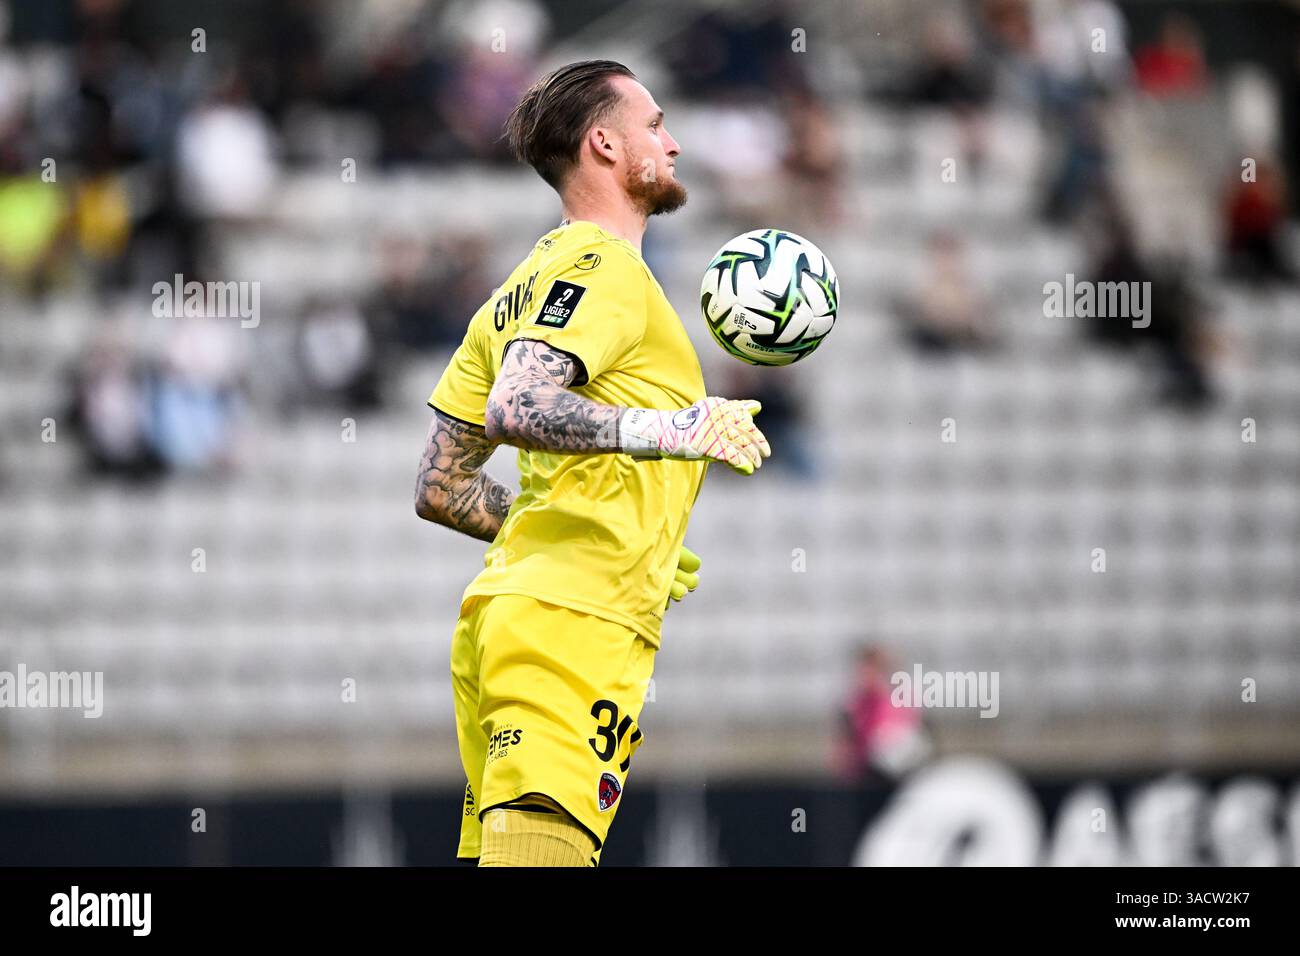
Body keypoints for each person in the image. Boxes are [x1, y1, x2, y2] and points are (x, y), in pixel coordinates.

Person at [413, 60, 770, 867]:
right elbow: (519, 406)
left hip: (517, 614)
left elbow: (441, 487)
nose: (672, 144)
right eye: (655, 125)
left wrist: (610, 526)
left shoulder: (517, 289)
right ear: (604, 144)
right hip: (573, 627)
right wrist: (674, 431)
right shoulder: (603, 269)